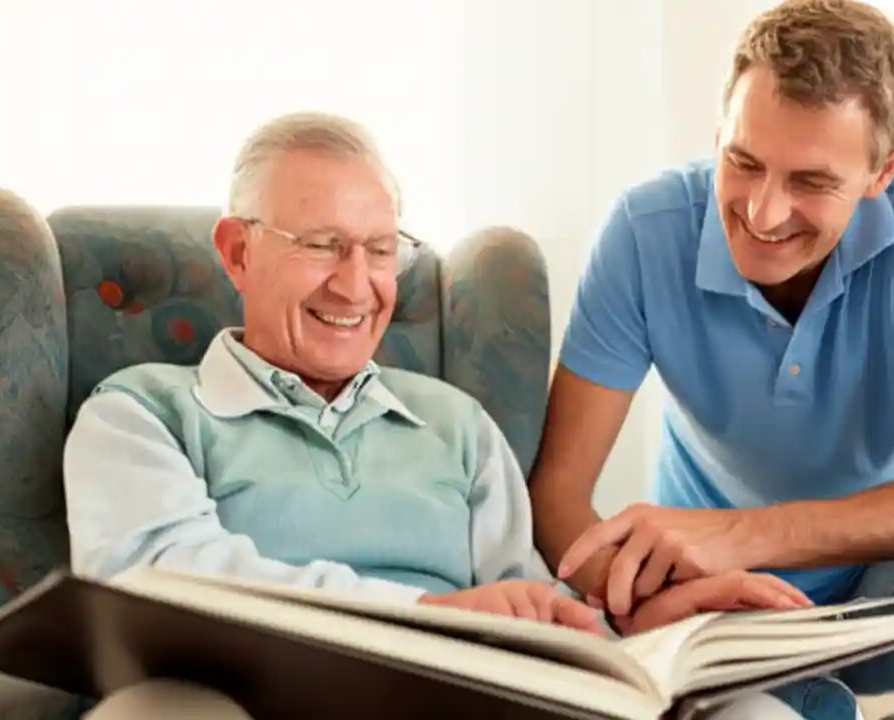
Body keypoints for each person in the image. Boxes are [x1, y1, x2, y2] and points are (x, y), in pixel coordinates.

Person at [52, 111, 810, 718]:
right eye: (322, 246)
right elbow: (160, 587)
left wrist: (648, 624)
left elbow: (531, 615)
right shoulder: (139, 413)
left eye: (380, 251)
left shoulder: (457, 425)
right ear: (237, 251)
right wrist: (432, 613)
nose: (357, 287)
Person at [528, 1, 894, 719]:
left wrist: (746, 536)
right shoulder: (644, 229)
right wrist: (637, 595)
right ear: (718, 130)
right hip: (710, 605)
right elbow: (556, 494)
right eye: (742, 162)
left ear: (884, 168)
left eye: (811, 182)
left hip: (885, 583)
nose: (762, 212)